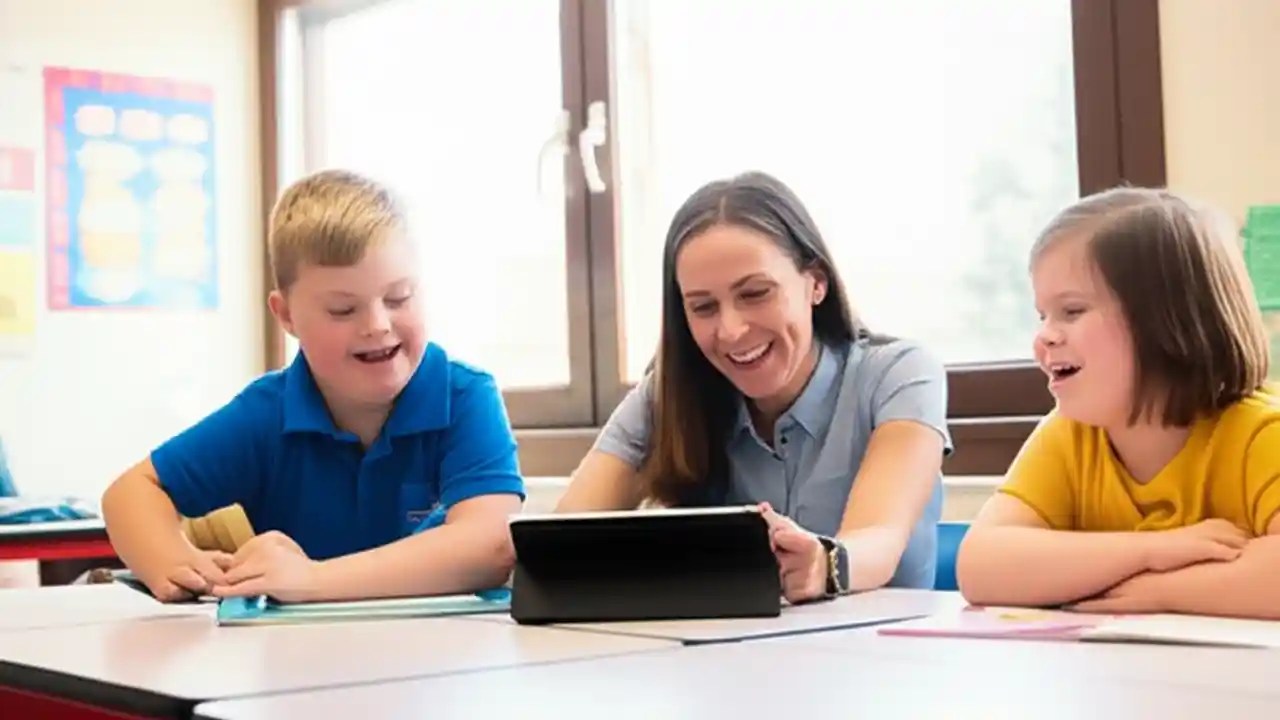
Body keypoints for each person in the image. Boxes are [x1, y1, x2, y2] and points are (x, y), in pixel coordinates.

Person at [102, 169, 524, 603]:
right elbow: (131, 493)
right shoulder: (268, 414)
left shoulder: (465, 397)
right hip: (302, 664)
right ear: (285, 315)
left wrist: (309, 580)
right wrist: (179, 564)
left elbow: (490, 545)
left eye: (399, 298)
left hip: (444, 662)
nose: (378, 326)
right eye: (343, 310)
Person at [556, 171, 951, 601]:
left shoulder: (901, 375)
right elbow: (558, 544)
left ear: (815, 283)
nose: (731, 330)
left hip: (878, 657)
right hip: (718, 660)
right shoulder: (667, 397)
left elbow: (881, 536)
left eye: (755, 293)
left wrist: (823, 562)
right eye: (703, 307)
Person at [956, 187, 1280, 619]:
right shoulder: (1068, 434)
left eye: (1071, 311)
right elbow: (982, 566)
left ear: (1169, 322)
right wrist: (1151, 550)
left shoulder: (1261, 433)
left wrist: (1162, 592)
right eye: (1042, 316)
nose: (1045, 336)